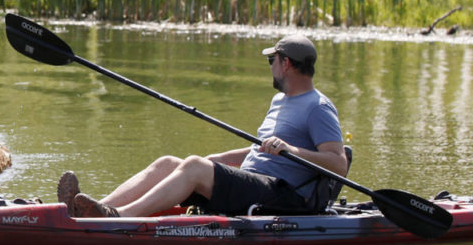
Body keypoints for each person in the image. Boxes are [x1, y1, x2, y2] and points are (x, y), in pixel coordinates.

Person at [57, 34, 347, 218]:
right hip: (253, 180)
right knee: (169, 163)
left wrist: (290, 149)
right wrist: (216, 161)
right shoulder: (279, 100)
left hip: (282, 195)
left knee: (194, 166)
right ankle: (86, 211)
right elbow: (257, 151)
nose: (270, 65)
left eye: (272, 59)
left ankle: (117, 217)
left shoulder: (318, 107)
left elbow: (338, 163)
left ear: (285, 64)